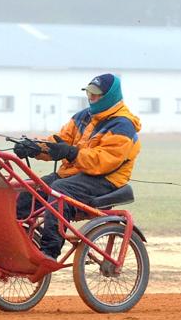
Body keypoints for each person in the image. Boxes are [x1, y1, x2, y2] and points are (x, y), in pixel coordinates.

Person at [13, 74, 141, 260]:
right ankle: (18, 238)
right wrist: (34, 148)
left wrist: (72, 153)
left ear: (110, 96)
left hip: (105, 179)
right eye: (89, 93)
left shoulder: (122, 125)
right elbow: (59, 142)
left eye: (96, 94)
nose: (91, 97)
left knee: (59, 190)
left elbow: (104, 161)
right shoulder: (83, 117)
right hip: (75, 174)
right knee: (30, 187)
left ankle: (49, 252)